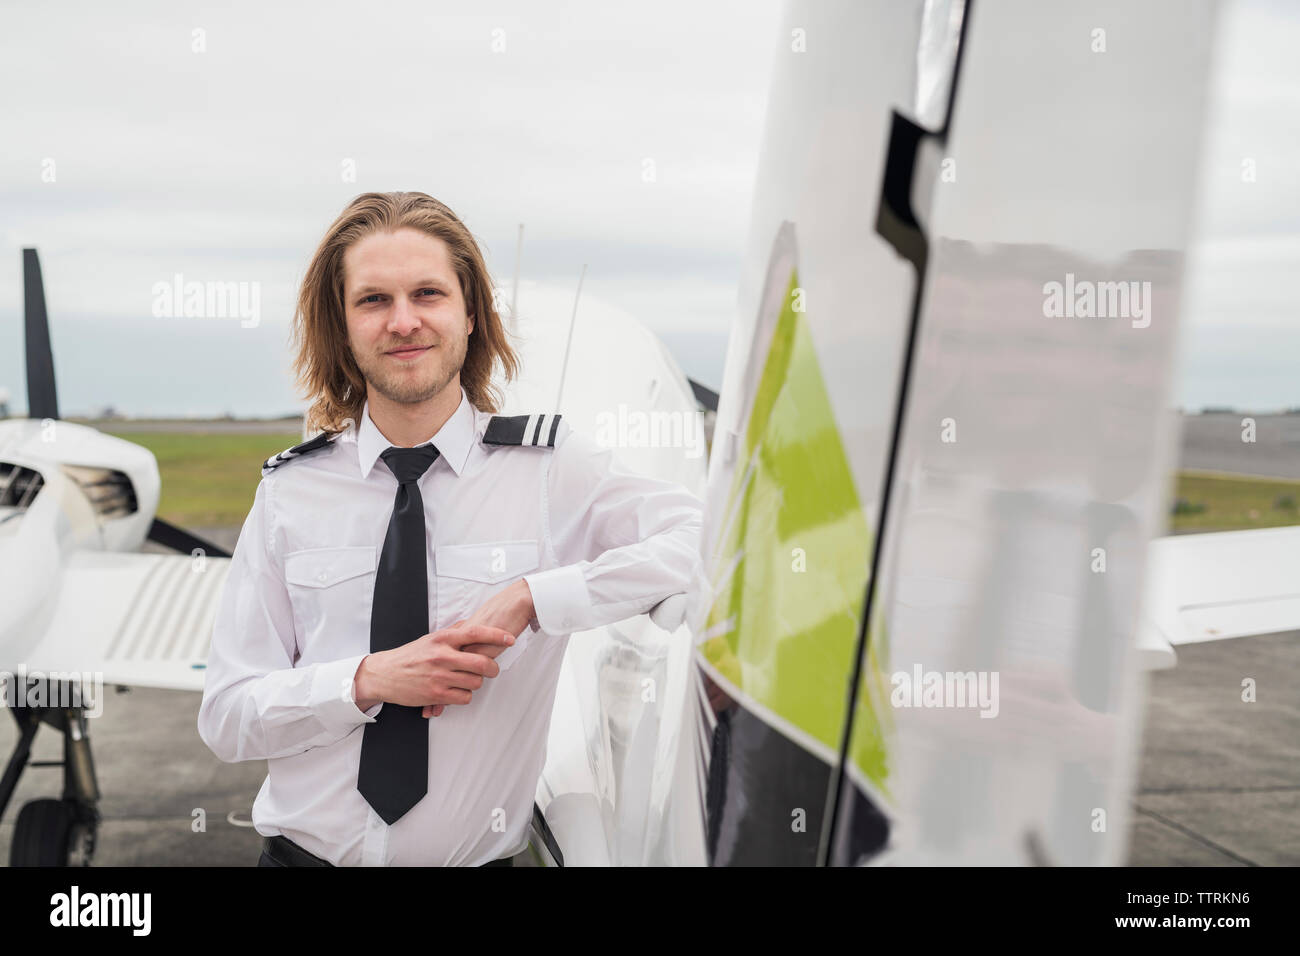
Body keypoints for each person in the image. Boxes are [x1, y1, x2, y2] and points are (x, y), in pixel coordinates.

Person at [196, 191, 704, 866]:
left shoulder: (549, 470)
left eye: (428, 293)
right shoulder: (290, 491)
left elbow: (705, 538)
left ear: (471, 314)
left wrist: (535, 596)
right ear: (342, 328)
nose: (403, 321)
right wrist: (368, 680)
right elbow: (227, 715)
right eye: (373, 300)